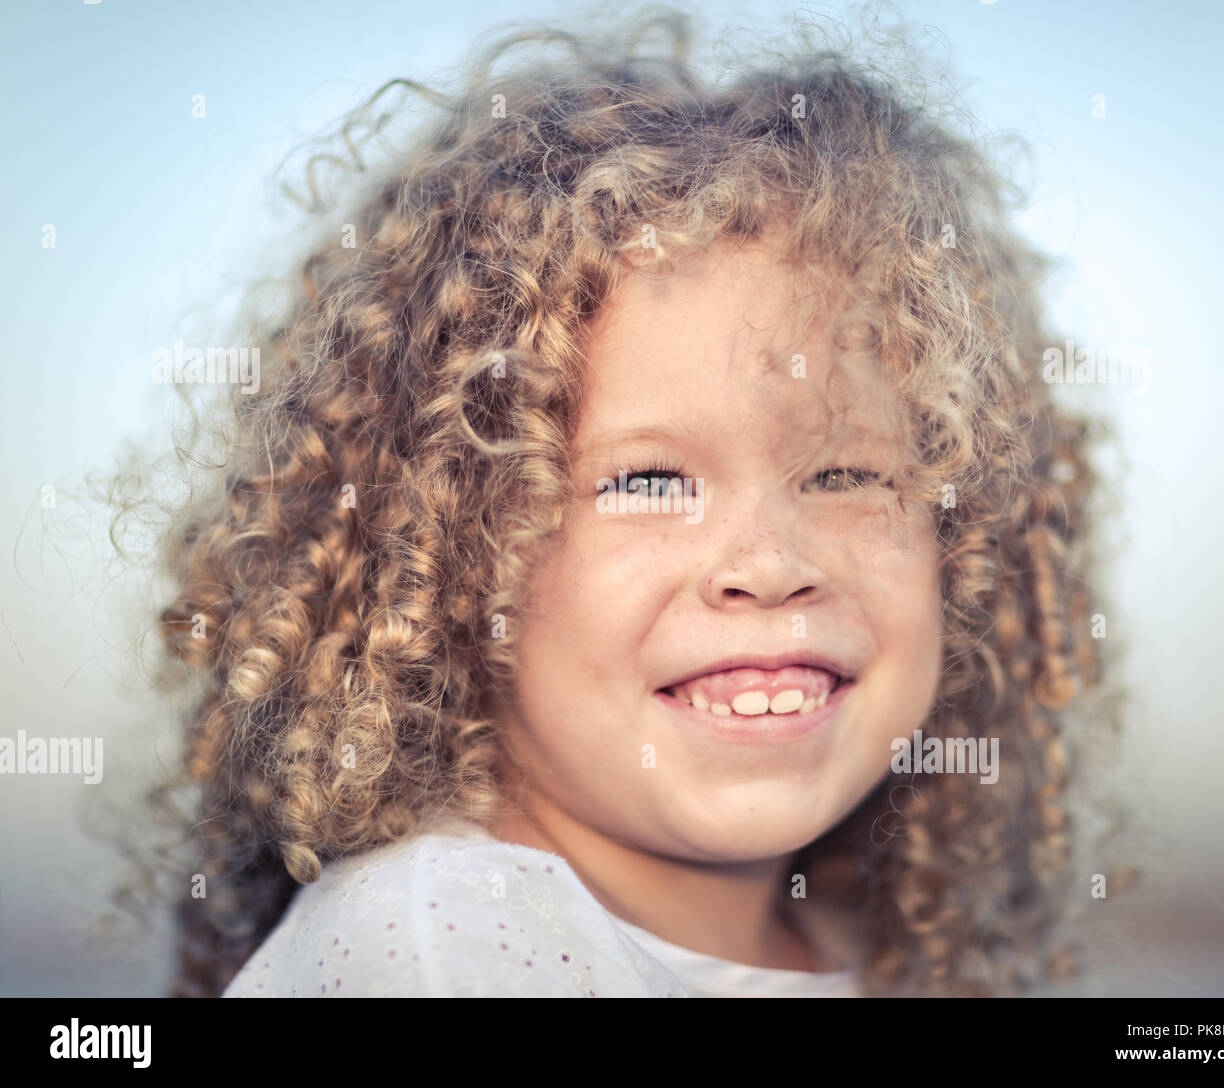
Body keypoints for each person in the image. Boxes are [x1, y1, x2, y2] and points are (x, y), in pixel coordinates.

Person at [112, 4, 1124, 998]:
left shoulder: (884, 953)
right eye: (648, 480)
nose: (769, 563)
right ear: (447, 557)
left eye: (845, 474)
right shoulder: (442, 941)